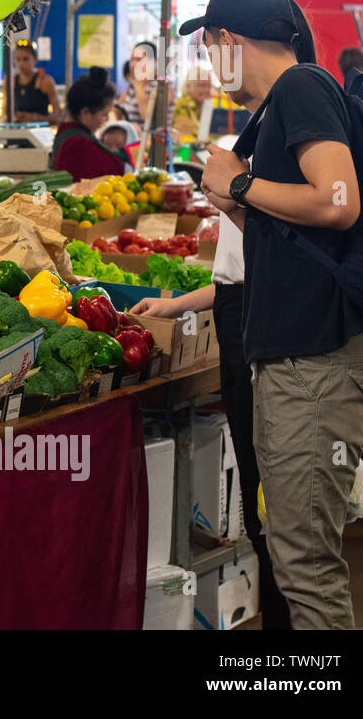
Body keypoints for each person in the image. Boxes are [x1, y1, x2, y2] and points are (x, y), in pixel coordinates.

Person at [191, 0, 363, 629]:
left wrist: (242, 180)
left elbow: (339, 202)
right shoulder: (279, 109)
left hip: (318, 364)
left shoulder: (299, 88)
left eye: (209, 46)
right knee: (295, 552)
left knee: (304, 562)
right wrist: (240, 203)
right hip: (306, 358)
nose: (210, 63)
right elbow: (299, 244)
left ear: (228, 40)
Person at [131, 139, 292, 630]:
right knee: (259, 494)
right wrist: (178, 304)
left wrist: (235, 192)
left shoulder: (277, 157)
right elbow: (236, 272)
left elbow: (275, 261)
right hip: (236, 307)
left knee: (274, 503)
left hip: (261, 315)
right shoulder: (254, 146)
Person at [51, 68, 127, 180]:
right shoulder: (76, 145)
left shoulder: (69, 133)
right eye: (104, 115)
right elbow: (114, 170)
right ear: (85, 112)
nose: (105, 120)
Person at [8, 40, 60, 123]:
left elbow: (58, 116)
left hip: (39, 133)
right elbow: (4, 114)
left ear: (35, 59)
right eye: (18, 59)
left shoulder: (45, 81)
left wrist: (34, 117)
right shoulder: (11, 82)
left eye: (25, 59)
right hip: (16, 133)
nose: (21, 64)